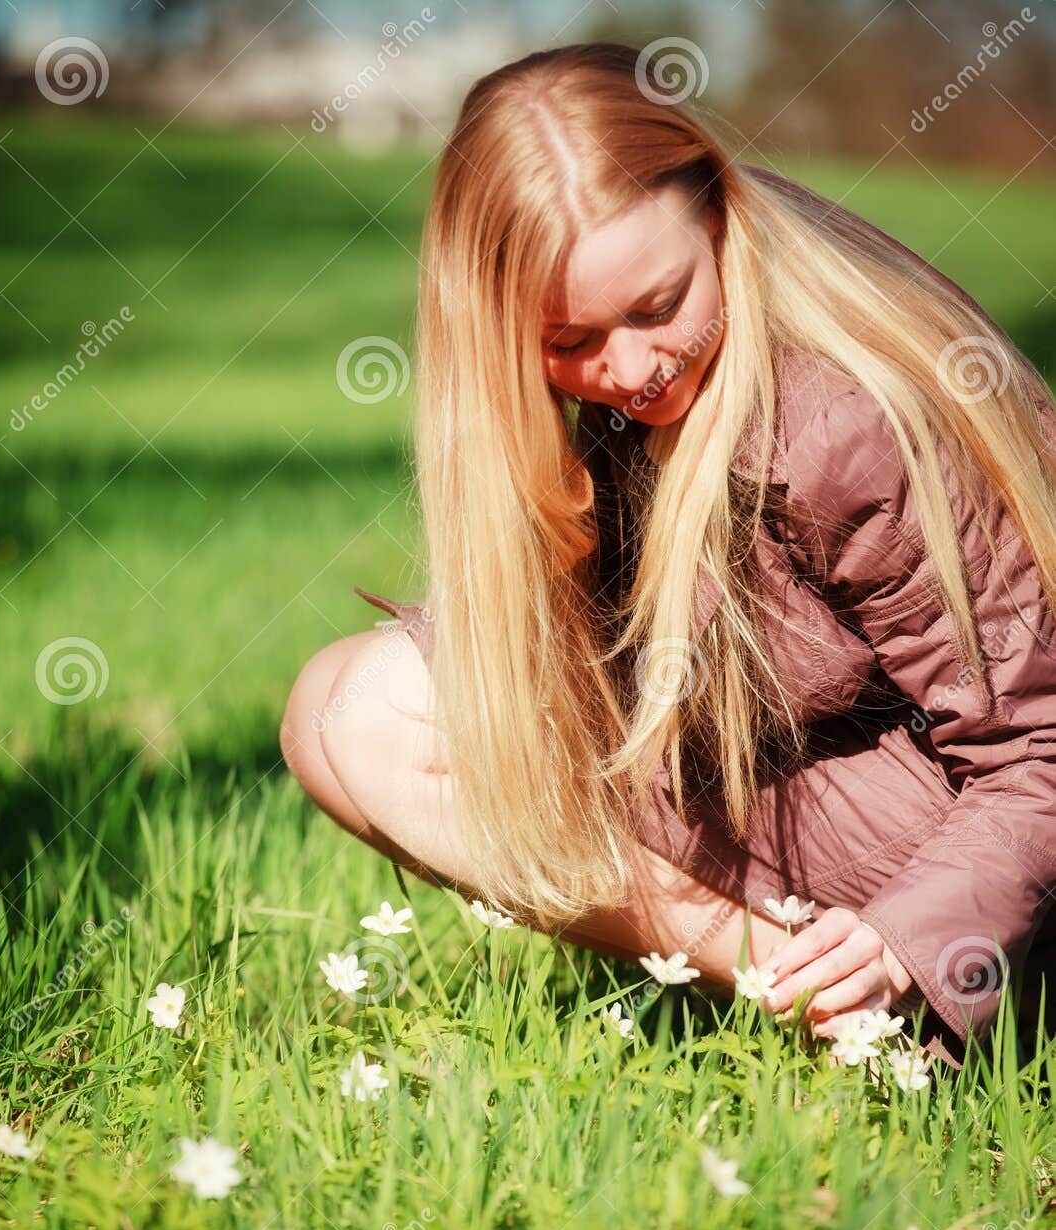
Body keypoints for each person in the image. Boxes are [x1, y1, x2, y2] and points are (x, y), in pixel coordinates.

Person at [281, 41, 1056, 1066]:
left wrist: (901, 939)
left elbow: (1036, 751)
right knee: (346, 710)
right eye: (567, 341)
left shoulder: (840, 419)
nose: (631, 368)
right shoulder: (583, 411)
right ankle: (797, 987)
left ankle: (888, 993)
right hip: (769, 789)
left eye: (657, 308)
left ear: (717, 214)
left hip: (977, 864)